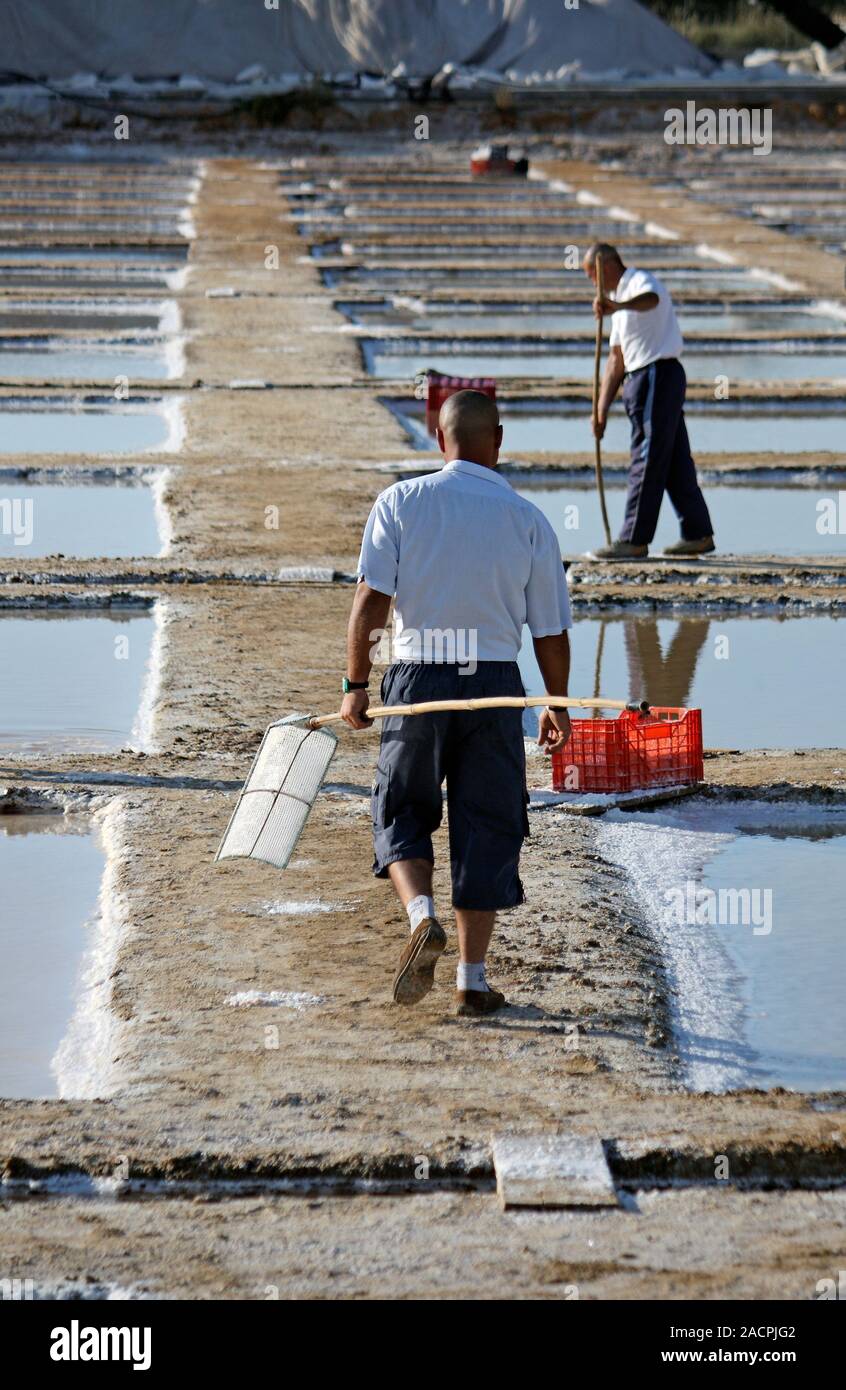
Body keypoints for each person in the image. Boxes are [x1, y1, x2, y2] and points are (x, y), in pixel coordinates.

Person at [340, 390, 572, 1017]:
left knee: (402, 805)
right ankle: (472, 979)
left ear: (439, 441)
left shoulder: (401, 501)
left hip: (417, 677)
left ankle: (421, 915)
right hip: (495, 687)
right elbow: (550, 630)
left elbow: (371, 602)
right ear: (498, 439)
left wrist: (355, 685)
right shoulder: (527, 520)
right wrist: (555, 704)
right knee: (488, 822)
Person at [584, 241, 715, 560]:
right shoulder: (618, 304)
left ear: (608, 265)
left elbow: (651, 301)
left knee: (647, 455)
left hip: (657, 374)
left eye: (592, 275)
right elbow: (616, 359)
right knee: (673, 461)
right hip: (640, 382)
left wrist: (617, 307)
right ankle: (698, 533)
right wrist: (601, 409)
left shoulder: (640, 283)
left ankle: (633, 539)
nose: (592, 283)